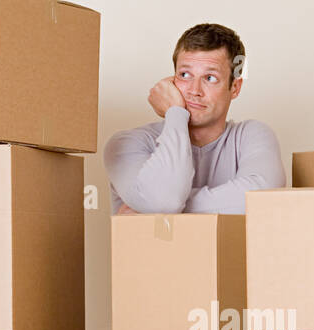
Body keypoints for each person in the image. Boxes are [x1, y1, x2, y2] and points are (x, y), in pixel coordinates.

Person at [104, 23, 285, 214]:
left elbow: (262, 200)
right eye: (185, 75)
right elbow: (164, 201)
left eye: (210, 78)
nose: (194, 91)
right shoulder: (127, 143)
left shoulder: (252, 136)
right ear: (171, 81)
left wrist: (165, 208)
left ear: (235, 88)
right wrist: (175, 113)